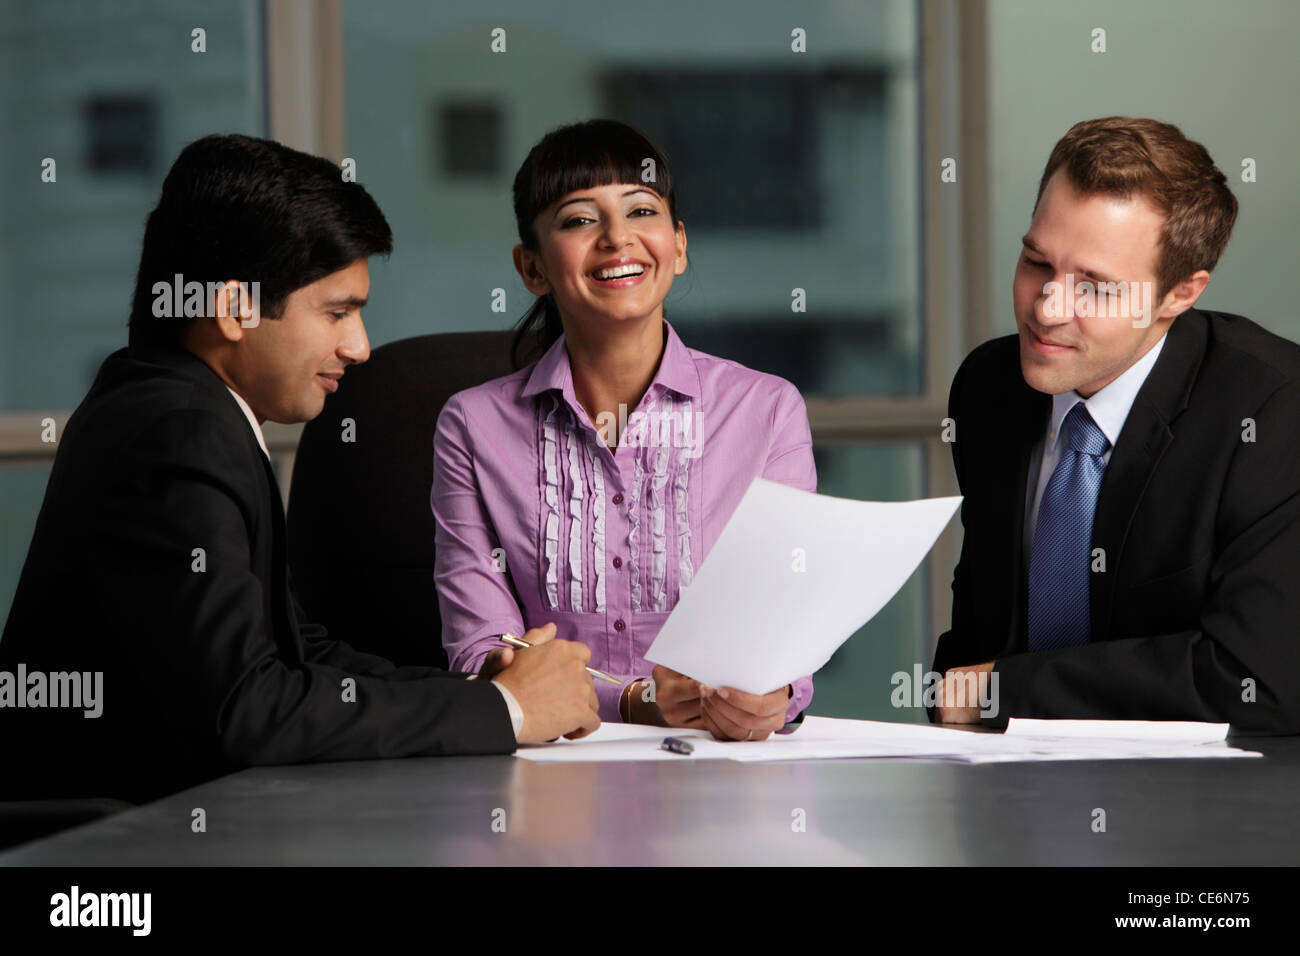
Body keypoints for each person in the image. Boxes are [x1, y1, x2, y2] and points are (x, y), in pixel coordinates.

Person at [0, 134, 599, 804]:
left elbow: (293, 650)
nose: (360, 347)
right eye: (337, 312)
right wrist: (507, 713)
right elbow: (245, 709)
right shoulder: (179, 431)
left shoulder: (178, 405)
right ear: (234, 309)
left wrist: (484, 693)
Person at [433, 119, 816, 741]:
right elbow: (484, 654)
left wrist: (771, 695)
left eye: (642, 210)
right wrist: (636, 702)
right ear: (531, 268)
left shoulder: (767, 410)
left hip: (724, 777)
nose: (618, 238)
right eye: (580, 220)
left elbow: (786, 634)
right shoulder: (473, 427)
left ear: (680, 245)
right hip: (551, 782)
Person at [932, 116, 1300, 732]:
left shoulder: (1273, 411)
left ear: (1179, 295)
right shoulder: (989, 387)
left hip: (1216, 809)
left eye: (1095, 287)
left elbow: (1255, 681)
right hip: (1008, 794)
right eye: (1035, 262)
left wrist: (1001, 689)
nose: (1047, 309)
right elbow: (976, 643)